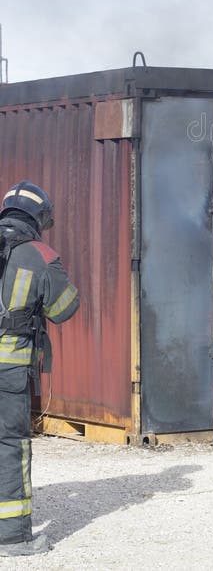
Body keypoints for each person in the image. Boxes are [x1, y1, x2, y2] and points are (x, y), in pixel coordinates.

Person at [0, 181, 79, 556]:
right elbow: (65, 309)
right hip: (9, 371)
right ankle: (13, 539)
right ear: (37, 218)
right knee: (9, 446)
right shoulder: (39, 255)